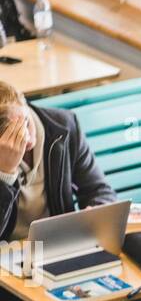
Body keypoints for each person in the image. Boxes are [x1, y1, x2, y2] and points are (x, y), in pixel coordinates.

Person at [0, 81, 116, 242]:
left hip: (59, 244)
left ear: (25, 103)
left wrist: (96, 211)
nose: (26, 138)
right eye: (14, 135)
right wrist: (5, 174)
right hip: (8, 254)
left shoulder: (64, 125)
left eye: (26, 123)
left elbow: (99, 190)